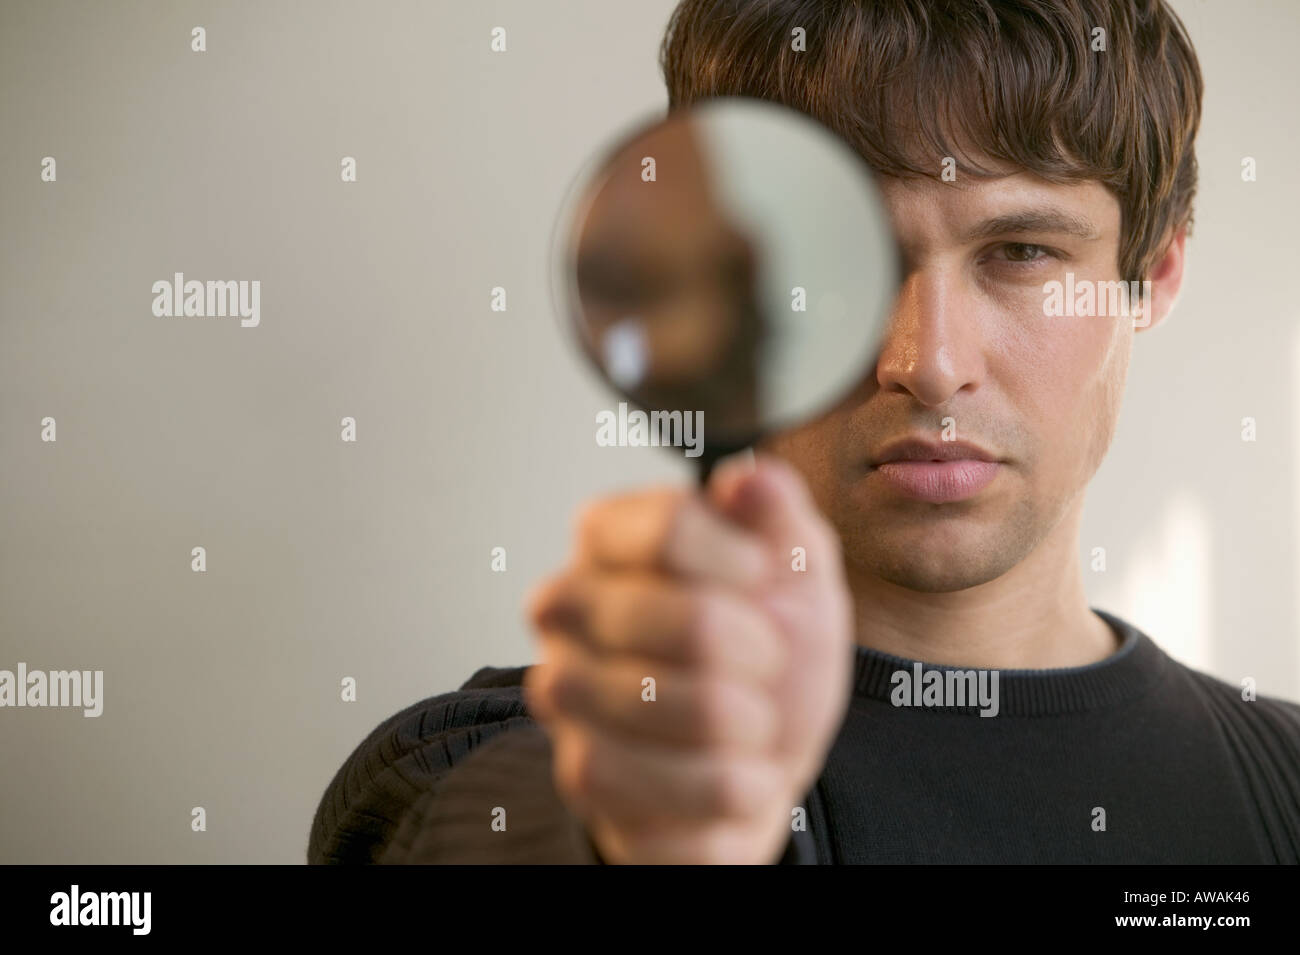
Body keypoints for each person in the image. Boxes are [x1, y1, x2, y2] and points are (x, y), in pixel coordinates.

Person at [308, 0, 1300, 865]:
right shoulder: (496, 761)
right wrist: (619, 833)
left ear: (1153, 274)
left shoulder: (1286, 787)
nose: (926, 357)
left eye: (1022, 251)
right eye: (843, 254)